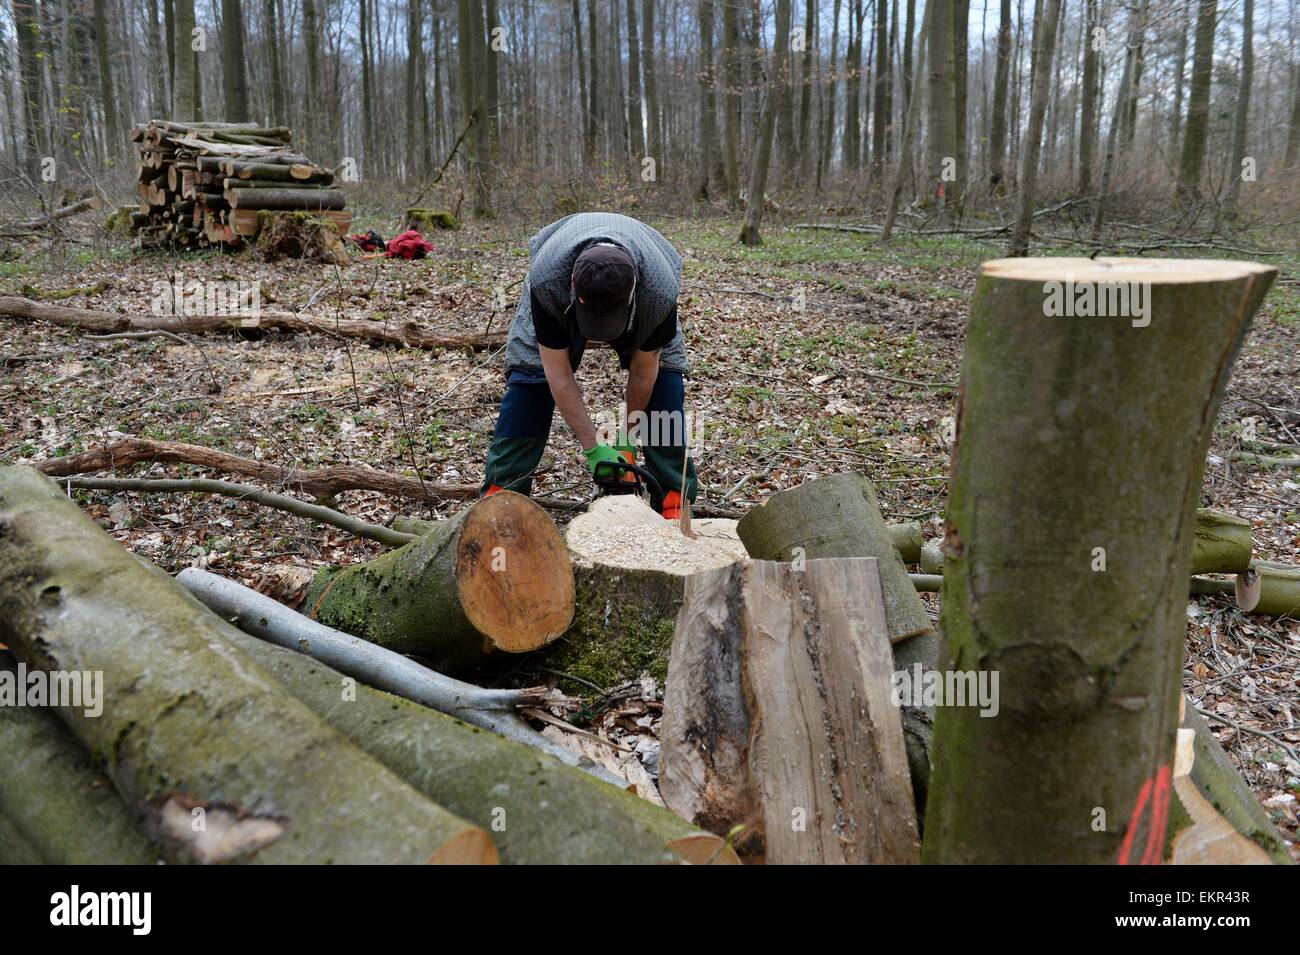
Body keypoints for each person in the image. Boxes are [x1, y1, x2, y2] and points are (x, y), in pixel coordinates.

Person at [481, 212, 697, 519]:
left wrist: (626, 439)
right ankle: (499, 497)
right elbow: (557, 372)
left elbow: (644, 369)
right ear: (573, 284)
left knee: (665, 380)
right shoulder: (547, 280)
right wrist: (593, 447)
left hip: (649, 278)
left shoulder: (658, 292)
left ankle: (675, 502)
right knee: (530, 377)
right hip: (556, 280)